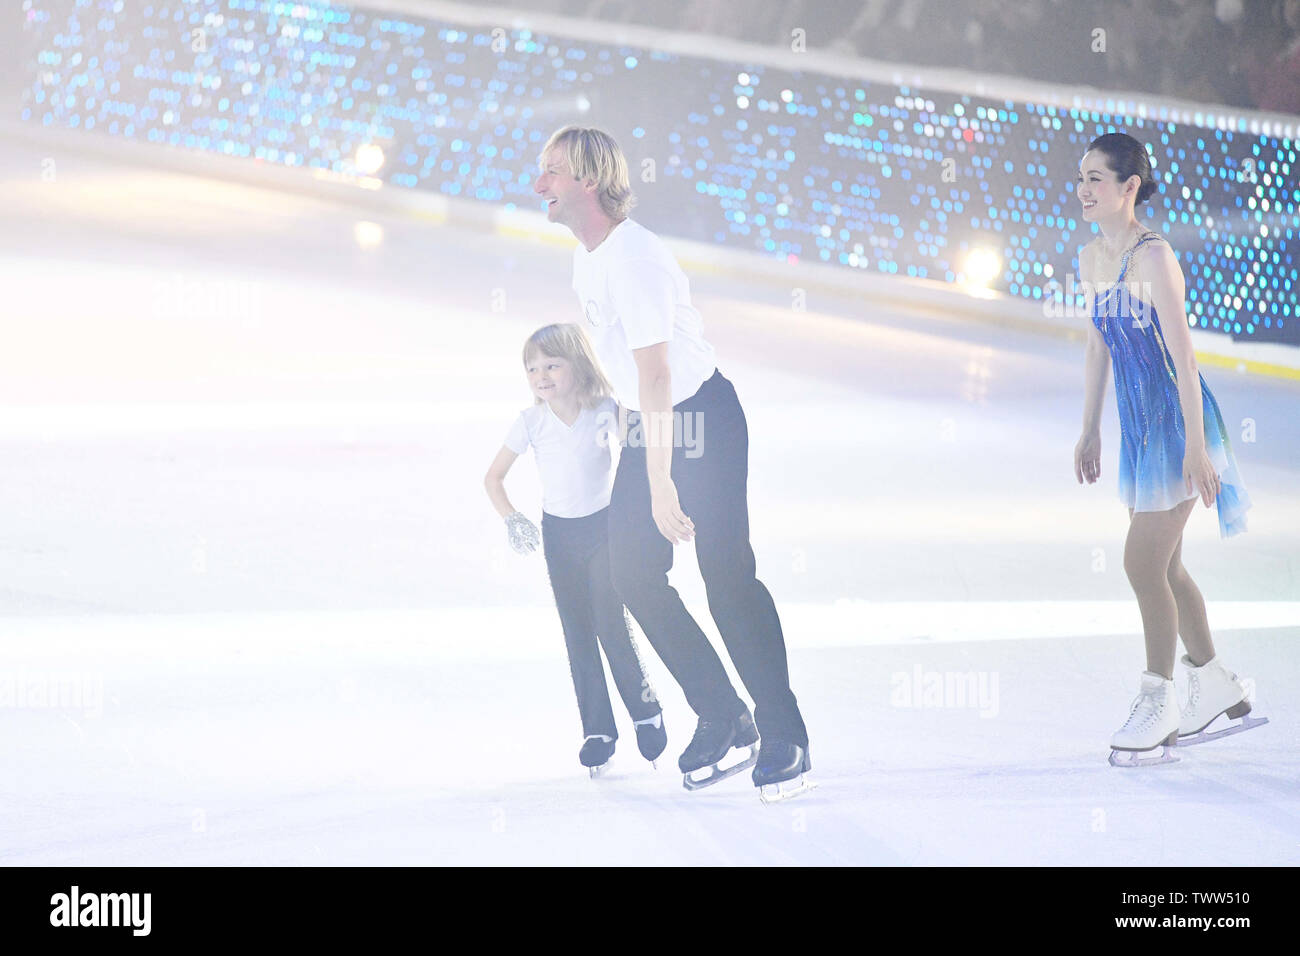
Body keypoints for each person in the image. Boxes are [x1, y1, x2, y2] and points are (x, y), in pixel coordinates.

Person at [532, 125, 812, 800]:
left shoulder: (634, 259)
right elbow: (632, 377)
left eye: (552, 173)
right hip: (650, 422)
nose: (539, 184)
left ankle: (786, 735)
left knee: (725, 576)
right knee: (632, 572)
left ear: (588, 181)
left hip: (702, 421)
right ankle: (723, 715)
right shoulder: (586, 256)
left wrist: (658, 481)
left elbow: (657, 375)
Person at [1073, 132, 1260, 768]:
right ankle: (1213, 682)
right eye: (1082, 178)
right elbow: (1098, 344)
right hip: (1139, 432)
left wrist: (1198, 448)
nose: (1085, 190)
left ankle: (1160, 700)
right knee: (1168, 568)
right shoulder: (1090, 259)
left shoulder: (1154, 258)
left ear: (1131, 188)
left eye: (1098, 179)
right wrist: (1090, 427)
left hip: (1180, 427)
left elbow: (1184, 354)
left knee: (1141, 565)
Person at [484, 323, 666, 776]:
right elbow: (493, 478)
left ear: (577, 365)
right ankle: (598, 731)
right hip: (559, 538)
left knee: (611, 623)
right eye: (532, 369)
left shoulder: (605, 409)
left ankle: (646, 711)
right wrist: (512, 517)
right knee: (577, 631)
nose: (541, 376)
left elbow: (645, 448)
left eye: (551, 365)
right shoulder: (530, 422)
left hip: (604, 531)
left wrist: (647, 508)